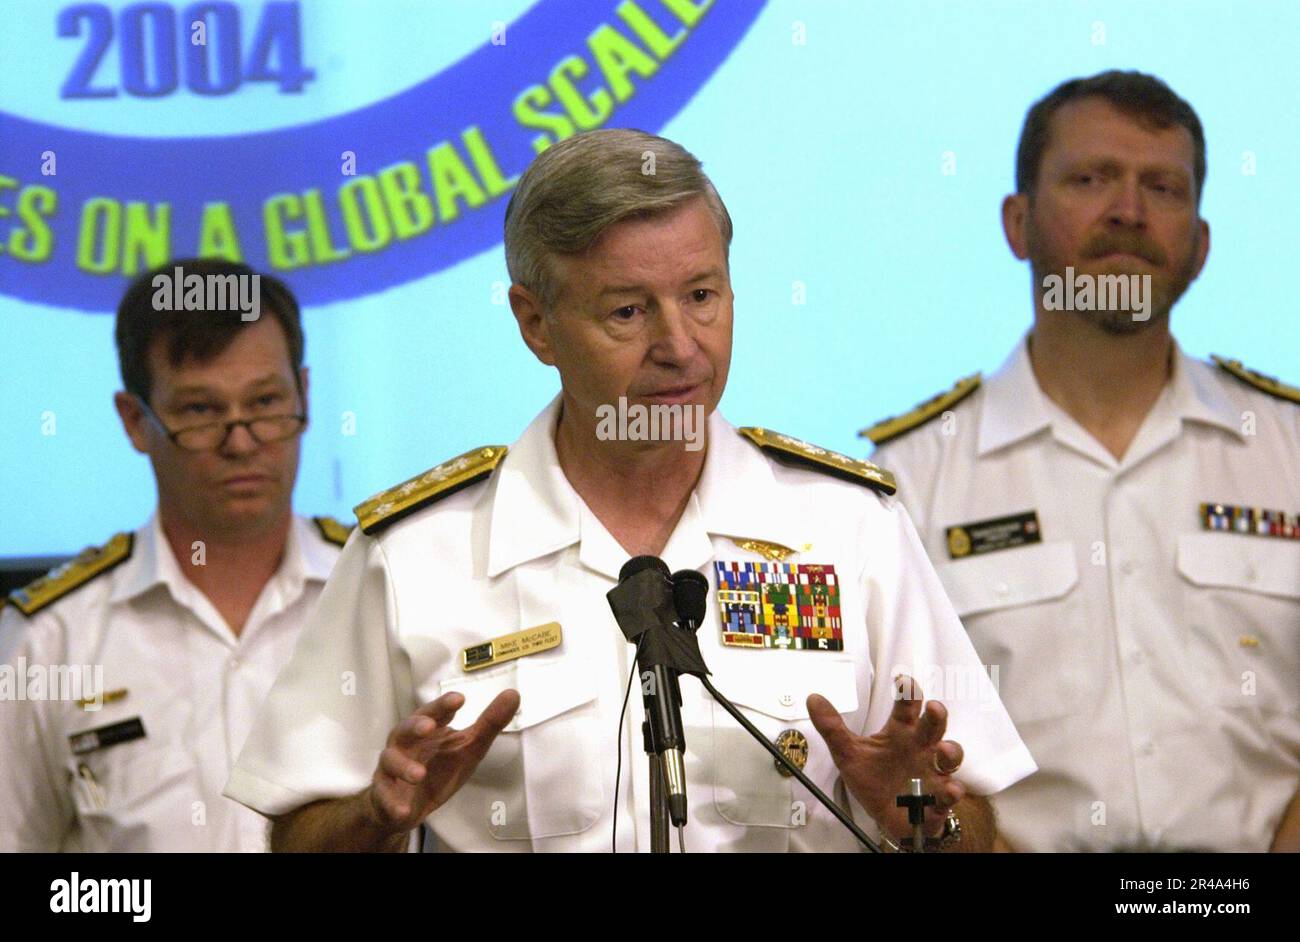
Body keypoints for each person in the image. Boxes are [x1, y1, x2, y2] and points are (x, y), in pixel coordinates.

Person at [224, 129, 1035, 853]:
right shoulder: (414, 556)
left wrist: (919, 820)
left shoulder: (851, 531)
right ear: (535, 323)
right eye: (627, 312)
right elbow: (298, 833)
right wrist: (377, 817)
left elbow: (976, 833)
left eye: (701, 296)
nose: (679, 345)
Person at [865, 71, 1300, 852]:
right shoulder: (910, 480)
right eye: (1091, 179)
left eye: (1162, 187)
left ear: (1201, 245)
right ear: (1018, 223)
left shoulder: (1287, 448)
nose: (1129, 210)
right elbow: (916, 779)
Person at [0, 259, 352, 851]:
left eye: (266, 402)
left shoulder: (380, 590)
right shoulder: (50, 640)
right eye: (200, 410)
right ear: (135, 420)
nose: (242, 441)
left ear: (305, 395)